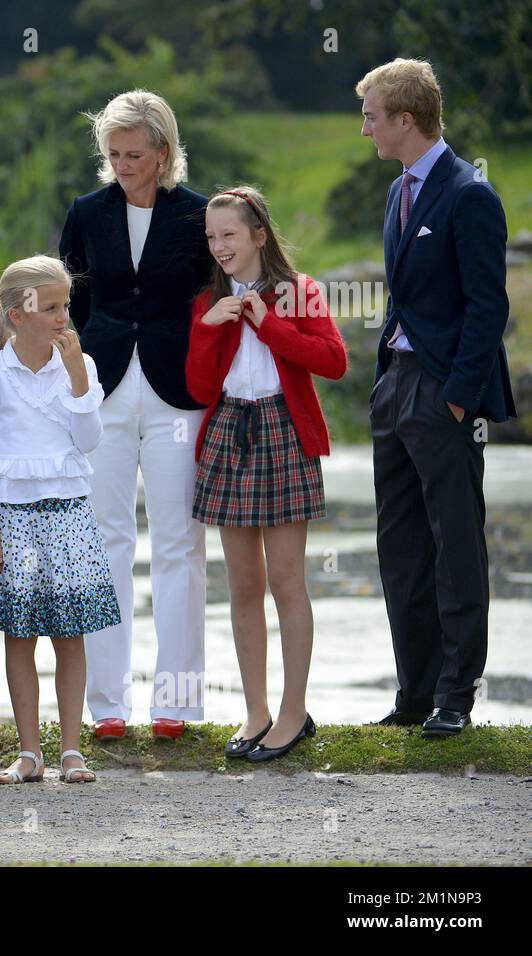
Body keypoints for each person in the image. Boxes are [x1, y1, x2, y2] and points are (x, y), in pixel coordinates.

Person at [358, 59, 514, 737]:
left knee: (456, 545)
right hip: (396, 388)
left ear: (405, 120)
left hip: (443, 392)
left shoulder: (469, 193)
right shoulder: (398, 192)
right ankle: (415, 692)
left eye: (370, 116)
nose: (363, 128)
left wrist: (456, 399)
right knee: (400, 547)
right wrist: (385, 381)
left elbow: (488, 308)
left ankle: (457, 695)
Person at [59, 90, 214, 741]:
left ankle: (174, 704)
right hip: (105, 389)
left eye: (134, 154)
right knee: (105, 541)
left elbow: (215, 294)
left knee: (181, 544)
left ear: (164, 153)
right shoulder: (86, 213)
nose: (122, 164)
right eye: (113, 154)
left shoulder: (202, 214)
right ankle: (108, 705)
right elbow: (68, 301)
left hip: (182, 391)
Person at [185, 187, 347, 761]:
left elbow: (333, 361)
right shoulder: (207, 298)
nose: (219, 245)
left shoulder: (297, 292)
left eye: (229, 234)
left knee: (286, 582)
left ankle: (293, 711)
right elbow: (201, 388)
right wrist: (211, 325)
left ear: (258, 236)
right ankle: (255, 711)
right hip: (229, 432)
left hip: (283, 432)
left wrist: (264, 322)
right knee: (242, 585)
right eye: (211, 236)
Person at [0, 256, 121, 785]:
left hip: (68, 511)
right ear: (16, 313)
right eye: (50, 307)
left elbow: (89, 440)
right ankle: (29, 752)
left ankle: (71, 750)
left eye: (66, 305)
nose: (63, 317)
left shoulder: (81, 366)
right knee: (18, 633)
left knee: (70, 633)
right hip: (11, 517)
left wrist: (78, 380)